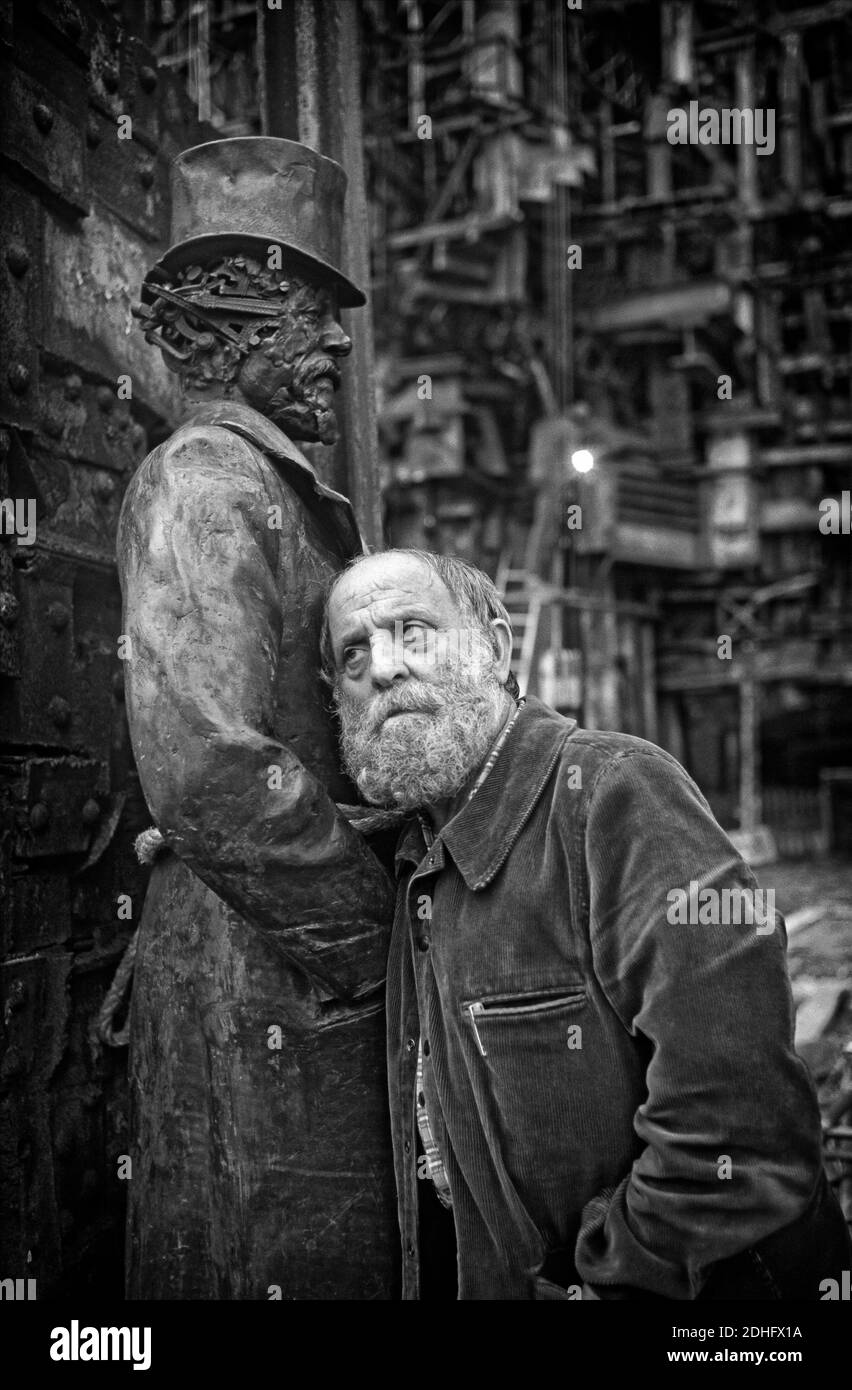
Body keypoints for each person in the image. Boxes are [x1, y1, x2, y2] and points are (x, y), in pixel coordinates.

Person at [321, 545, 852, 1300]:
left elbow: (742, 1131)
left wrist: (603, 1280)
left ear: (497, 648)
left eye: (414, 631)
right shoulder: (413, 857)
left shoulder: (613, 795)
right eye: (352, 654)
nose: (383, 667)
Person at [117, 137, 397, 1299]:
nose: (340, 343)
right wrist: (382, 934)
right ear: (238, 321)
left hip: (278, 963)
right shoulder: (208, 484)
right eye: (315, 313)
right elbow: (210, 770)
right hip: (267, 970)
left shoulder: (271, 488)